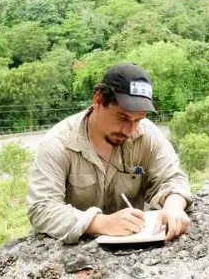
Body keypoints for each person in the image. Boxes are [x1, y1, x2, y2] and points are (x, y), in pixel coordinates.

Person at [27, 63, 193, 244]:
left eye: (138, 119)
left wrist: (174, 205)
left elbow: (173, 178)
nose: (130, 130)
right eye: (122, 117)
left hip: (135, 248)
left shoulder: (147, 135)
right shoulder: (58, 143)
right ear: (98, 101)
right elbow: (41, 208)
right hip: (72, 253)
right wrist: (101, 223)